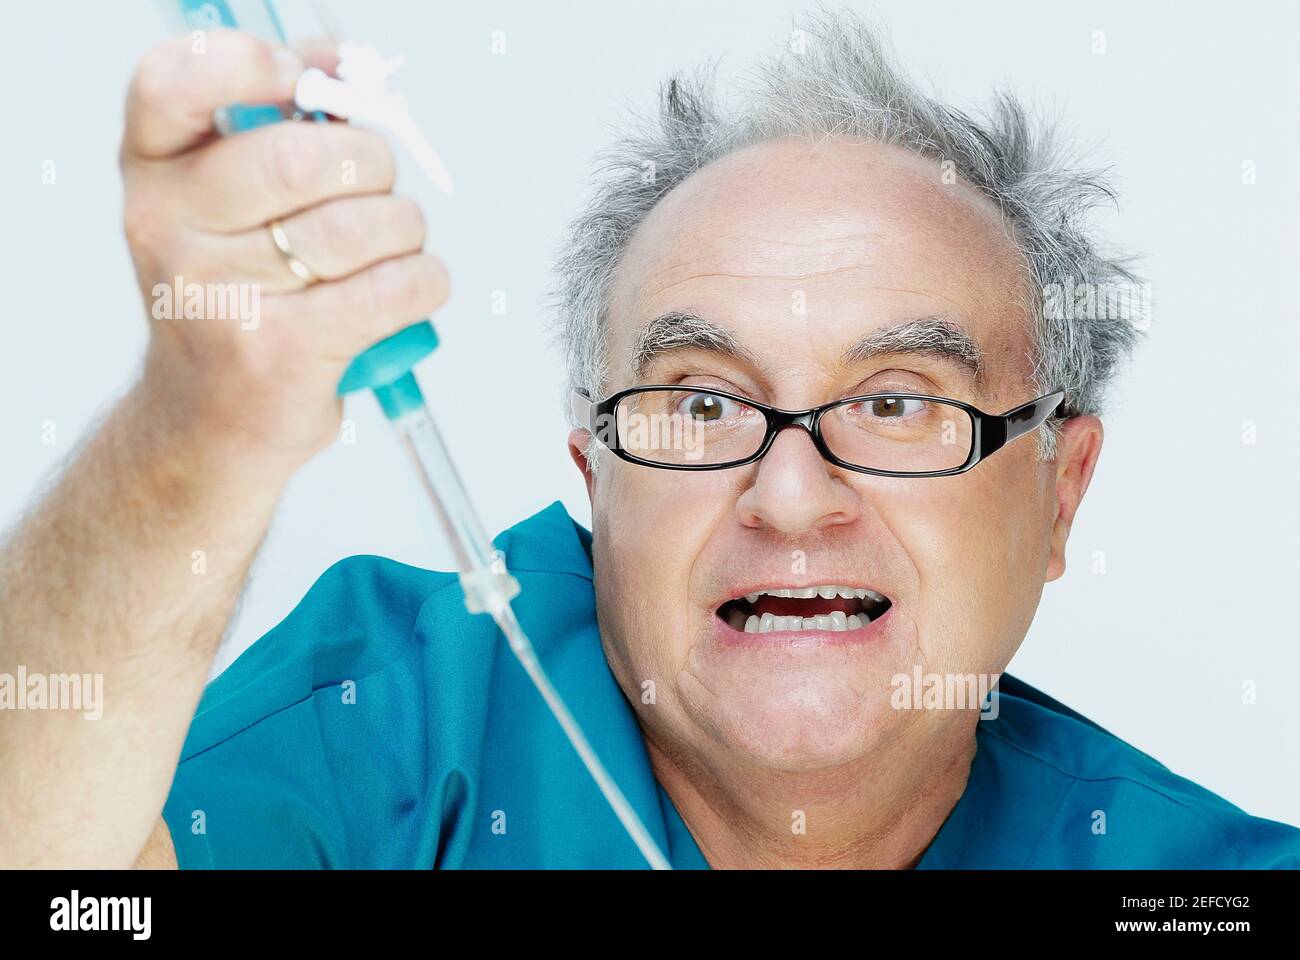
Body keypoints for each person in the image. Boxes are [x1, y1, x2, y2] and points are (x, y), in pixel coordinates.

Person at [2, 8, 1296, 869]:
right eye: (704, 404)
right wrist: (192, 438)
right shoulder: (390, 739)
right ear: (593, 479)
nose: (792, 497)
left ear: (1061, 496)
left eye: (898, 403)